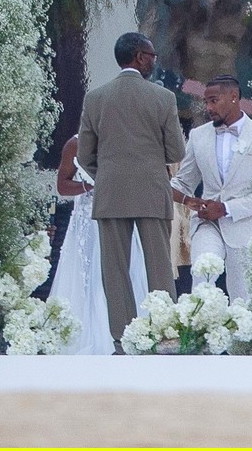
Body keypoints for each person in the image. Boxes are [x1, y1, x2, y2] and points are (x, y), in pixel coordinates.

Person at [77, 31, 186, 351]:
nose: (154, 61)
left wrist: (109, 173)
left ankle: (122, 340)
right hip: (152, 190)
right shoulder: (163, 98)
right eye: (151, 55)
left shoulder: (95, 98)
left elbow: (84, 156)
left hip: (110, 194)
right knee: (159, 269)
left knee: (114, 271)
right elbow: (176, 152)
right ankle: (166, 336)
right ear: (139, 56)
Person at [170, 75, 252, 303]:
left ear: (234, 98)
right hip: (207, 224)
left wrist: (226, 208)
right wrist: (187, 199)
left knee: (243, 296)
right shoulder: (198, 136)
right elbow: (182, 182)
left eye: (214, 101)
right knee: (202, 280)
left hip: (246, 227)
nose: (208, 108)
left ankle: (244, 338)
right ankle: (198, 335)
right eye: (206, 102)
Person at [49, 135, 149, 354]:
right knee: (88, 281)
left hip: (122, 220)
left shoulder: (127, 142)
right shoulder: (75, 143)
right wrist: (91, 185)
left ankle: (130, 339)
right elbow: (62, 186)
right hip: (88, 223)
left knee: (125, 277)